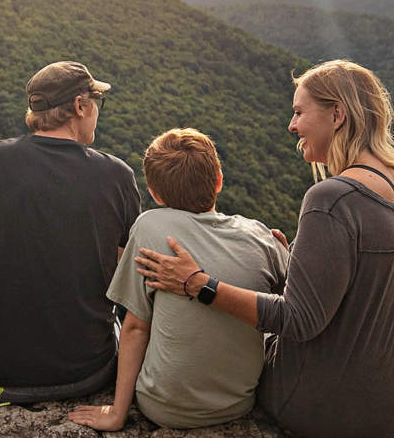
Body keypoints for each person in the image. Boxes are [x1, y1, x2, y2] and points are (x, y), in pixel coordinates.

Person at [134, 60, 394, 438]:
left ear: (338, 114)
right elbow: (368, 290)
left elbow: (299, 320)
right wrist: (295, 265)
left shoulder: (331, 199)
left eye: (299, 112)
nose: (292, 125)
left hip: (334, 410)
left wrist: (199, 284)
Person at [0, 61, 141, 403]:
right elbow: (126, 278)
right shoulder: (116, 176)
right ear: (79, 106)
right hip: (85, 374)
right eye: (96, 102)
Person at [69, 128, 288, 431]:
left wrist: (117, 412)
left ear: (155, 193)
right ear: (219, 181)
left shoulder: (151, 226)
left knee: (126, 316)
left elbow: (135, 328)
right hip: (238, 403)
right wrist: (281, 251)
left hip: (163, 407)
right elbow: (288, 307)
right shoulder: (262, 236)